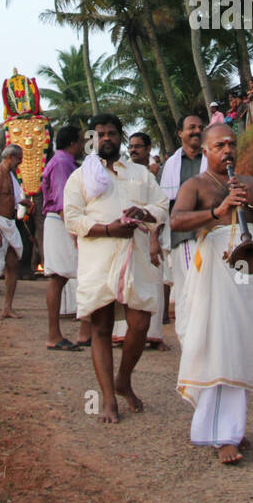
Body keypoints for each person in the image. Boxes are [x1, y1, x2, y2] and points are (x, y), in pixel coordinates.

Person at [170, 123, 253, 463]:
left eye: (231, 144)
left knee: (244, 342)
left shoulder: (248, 183)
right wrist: (216, 213)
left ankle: (231, 427)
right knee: (220, 343)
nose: (227, 150)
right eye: (219, 145)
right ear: (205, 150)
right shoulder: (196, 185)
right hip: (217, 269)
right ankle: (223, 436)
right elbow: (175, 221)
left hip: (251, 266)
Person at [63, 114, 168, 422]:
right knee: (101, 328)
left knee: (140, 324)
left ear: (120, 138)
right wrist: (107, 229)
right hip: (99, 258)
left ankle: (124, 379)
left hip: (135, 258)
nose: (106, 138)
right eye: (99, 134)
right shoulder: (80, 177)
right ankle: (108, 398)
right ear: (91, 141)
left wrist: (144, 211)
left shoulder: (140, 174)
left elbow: (162, 207)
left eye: (111, 133)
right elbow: (72, 218)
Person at [112, 132, 169, 351]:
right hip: (125, 237)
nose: (133, 150)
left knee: (152, 284)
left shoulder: (152, 175)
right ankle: (122, 335)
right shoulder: (122, 172)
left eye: (138, 146)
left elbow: (160, 208)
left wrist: (154, 239)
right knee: (126, 284)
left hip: (150, 236)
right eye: (131, 146)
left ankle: (153, 336)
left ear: (148, 149)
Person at [41, 125, 90, 350]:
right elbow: (64, 202)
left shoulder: (63, 162)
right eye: (81, 141)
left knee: (69, 276)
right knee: (60, 277)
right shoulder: (62, 163)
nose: (83, 146)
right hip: (62, 223)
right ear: (73, 143)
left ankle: (84, 331)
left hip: (62, 222)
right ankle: (54, 334)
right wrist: (74, 234)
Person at [159, 114, 206, 323]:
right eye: (191, 127)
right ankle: (191, 346)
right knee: (188, 291)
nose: (197, 131)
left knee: (209, 293)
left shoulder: (213, 158)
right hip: (183, 237)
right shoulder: (169, 166)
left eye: (200, 127)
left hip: (212, 235)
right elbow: (163, 205)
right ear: (180, 134)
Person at [0, 145, 30, 321]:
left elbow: (11, 198)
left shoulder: (10, 176)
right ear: (9, 157)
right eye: (19, 158)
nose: (20, 162)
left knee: (13, 263)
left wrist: (25, 203)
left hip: (8, 224)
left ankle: (7, 307)